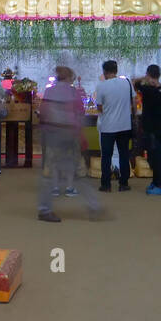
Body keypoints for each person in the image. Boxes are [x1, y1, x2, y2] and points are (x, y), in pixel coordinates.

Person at [37, 66, 102, 222]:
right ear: (68, 78)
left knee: (48, 174)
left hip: (53, 137)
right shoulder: (74, 93)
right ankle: (93, 206)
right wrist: (81, 136)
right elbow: (80, 115)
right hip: (70, 136)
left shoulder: (49, 92)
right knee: (79, 173)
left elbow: (43, 113)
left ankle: (44, 209)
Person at [93, 59, 134, 192]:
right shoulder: (127, 83)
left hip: (108, 126)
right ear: (116, 71)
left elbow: (99, 106)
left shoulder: (101, 86)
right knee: (123, 154)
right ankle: (124, 183)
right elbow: (133, 101)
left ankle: (106, 185)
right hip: (125, 125)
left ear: (104, 71)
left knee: (106, 156)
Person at [134, 64, 161, 195]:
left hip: (151, 130)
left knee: (155, 158)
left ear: (149, 74)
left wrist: (145, 78)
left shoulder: (146, 89)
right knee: (156, 157)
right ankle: (156, 182)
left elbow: (134, 81)